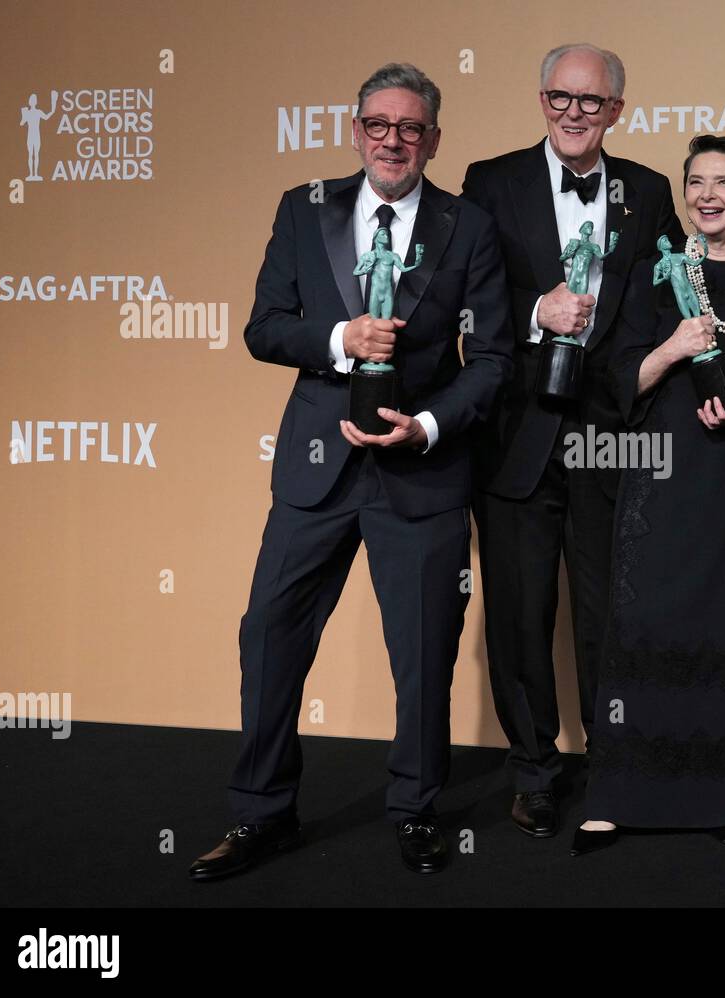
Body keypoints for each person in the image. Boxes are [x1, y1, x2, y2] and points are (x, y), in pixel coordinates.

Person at [188, 62, 511, 880]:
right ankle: (261, 815)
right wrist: (339, 342)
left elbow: (494, 357)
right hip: (316, 471)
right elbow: (265, 329)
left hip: (421, 472)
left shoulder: (467, 225)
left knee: (425, 651)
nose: (392, 140)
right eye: (378, 124)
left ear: (433, 138)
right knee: (268, 638)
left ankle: (415, 807)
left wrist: (428, 425)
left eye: (410, 128)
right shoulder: (305, 210)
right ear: (355, 128)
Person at [460, 42, 684, 839]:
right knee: (520, 613)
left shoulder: (649, 191)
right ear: (541, 98)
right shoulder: (491, 182)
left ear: (617, 110)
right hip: (516, 432)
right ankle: (534, 771)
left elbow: (661, 312)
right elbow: (466, 292)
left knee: (607, 611)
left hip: (608, 434)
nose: (574, 114)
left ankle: (613, 764)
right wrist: (535, 312)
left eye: (592, 102)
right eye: (561, 97)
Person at [572, 136, 725, 855]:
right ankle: (619, 796)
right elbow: (613, 374)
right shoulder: (657, 270)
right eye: (696, 182)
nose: (708, 195)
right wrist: (672, 350)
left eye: (724, 182)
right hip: (662, 475)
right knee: (645, 622)